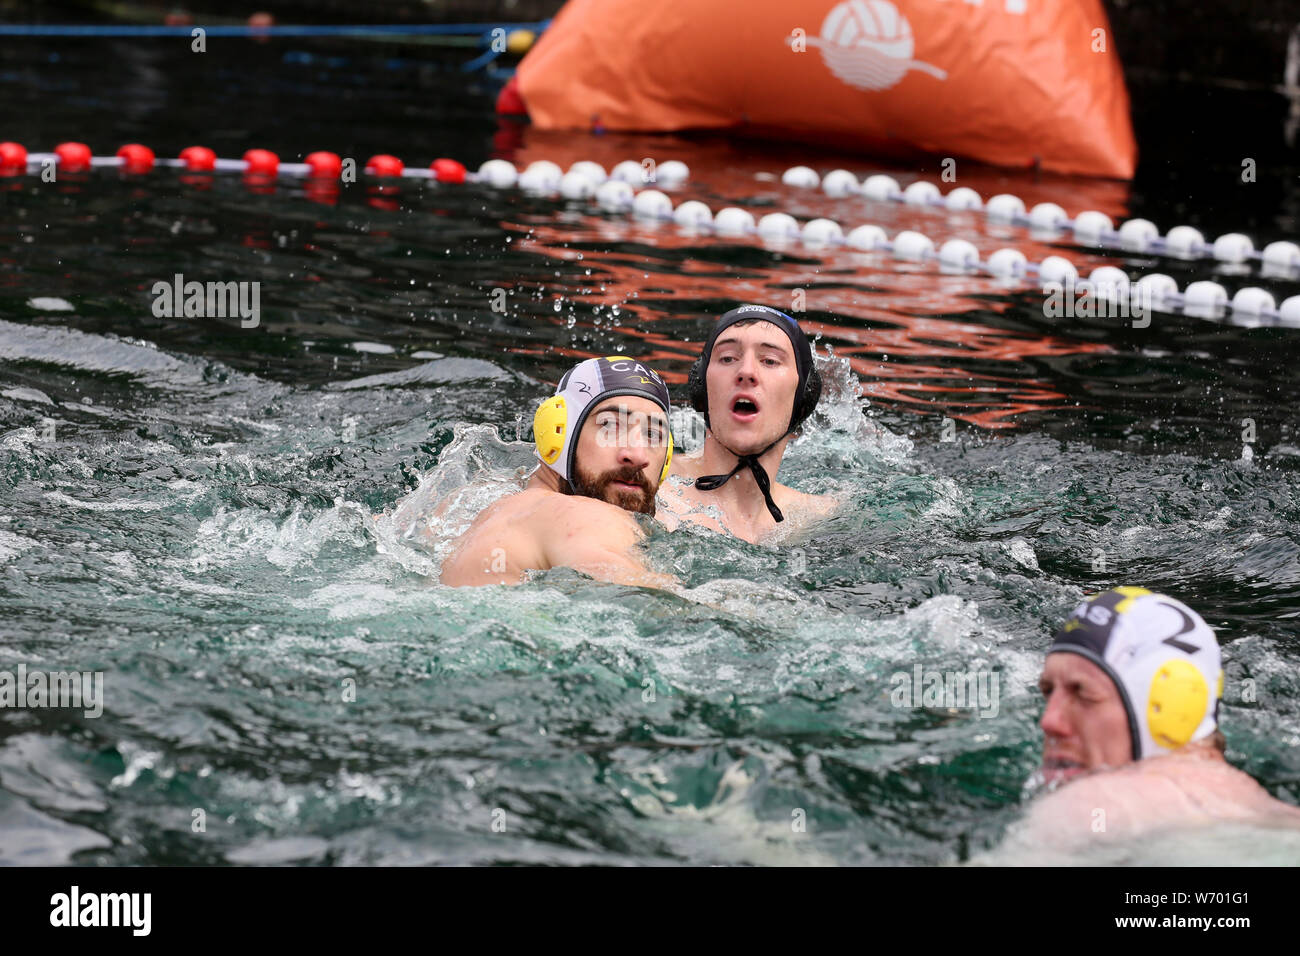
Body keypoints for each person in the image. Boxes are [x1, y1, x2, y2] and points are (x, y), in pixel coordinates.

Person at [1015, 587, 1300, 847]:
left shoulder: (1093, 805)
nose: (1049, 721)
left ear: (1166, 706)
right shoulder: (1272, 815)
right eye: (1049, 691)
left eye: (1083, 693)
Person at [440, 356, 675, 588]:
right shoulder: (579, 515)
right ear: (558, 433)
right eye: (609, 426)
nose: (638, 455)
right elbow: (648, 602)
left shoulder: (464, 509)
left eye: (653, 435)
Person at [658, 304, 837, 543]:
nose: (746, 371)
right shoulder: (646, 486)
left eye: (770, 361)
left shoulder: (820, 517)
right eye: (728, 358)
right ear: (701, 388)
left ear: (803, 396)